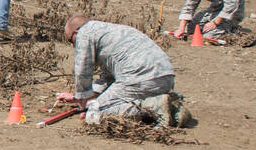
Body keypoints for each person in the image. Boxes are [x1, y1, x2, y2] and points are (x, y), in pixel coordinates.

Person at [56, 15, 191, 127]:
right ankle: (173, 109)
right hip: (164, 76)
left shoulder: (85, 33)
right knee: (112, 101)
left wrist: (83, 98)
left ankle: (153, 107)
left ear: (76, 32)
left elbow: (82, 70)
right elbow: (109, 77)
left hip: (141, 76)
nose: (74, 46)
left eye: (70, 41)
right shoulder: (111, 31)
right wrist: (77, 97)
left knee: (95, 113)